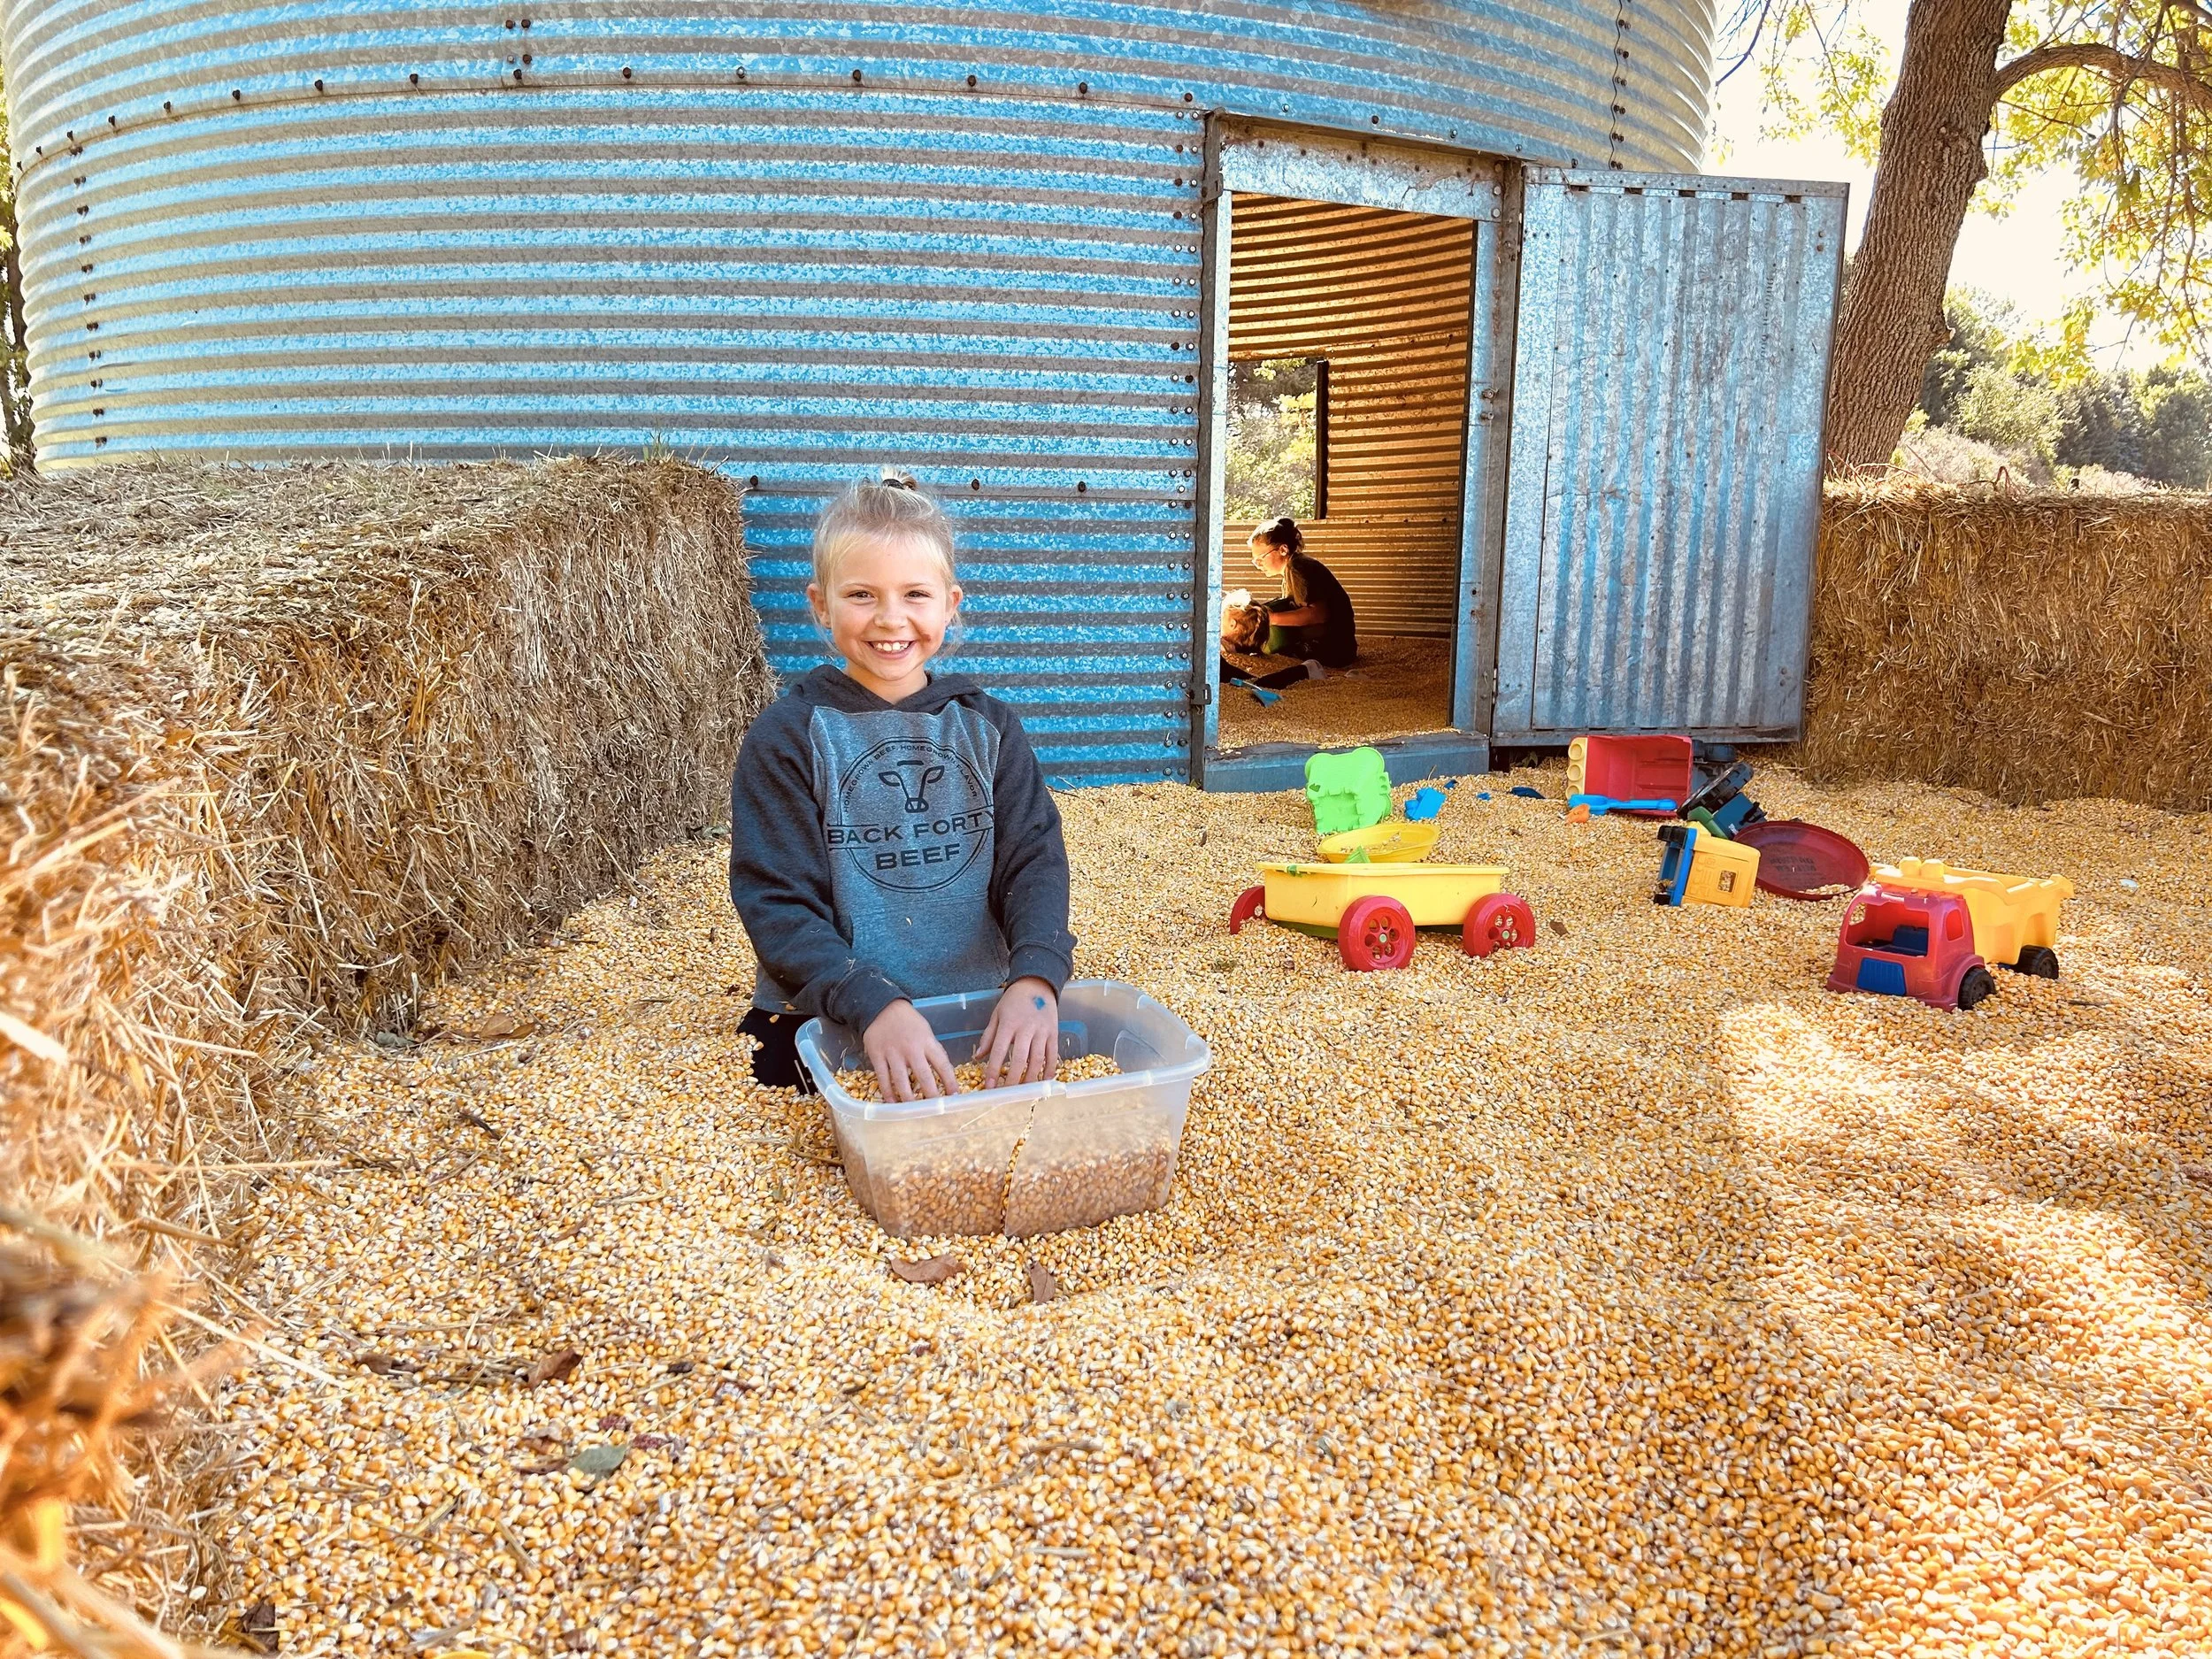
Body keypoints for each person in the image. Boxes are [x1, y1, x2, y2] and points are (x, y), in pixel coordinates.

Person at [727, 472, 1076, 1102]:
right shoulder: (789, 736)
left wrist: (1035, 978)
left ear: (950, 603)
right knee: (786, 1102)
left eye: (916, 593)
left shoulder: (989, 727)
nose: (891, 618)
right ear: (821, 605)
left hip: (976, 1001)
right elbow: (776, 899)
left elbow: (1034, 861)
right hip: (829, 1001)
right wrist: (870, 1001)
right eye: (861, 594)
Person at [1218, 517, 1357, 687]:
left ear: (1283, 549)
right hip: (1331, 647)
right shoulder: (1290, 572)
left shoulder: (1298, 568)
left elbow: (1319, 614)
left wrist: (1269, 618)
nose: (1258, 565)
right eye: (1255, 561)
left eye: (1261, 558)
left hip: (1333, 650)